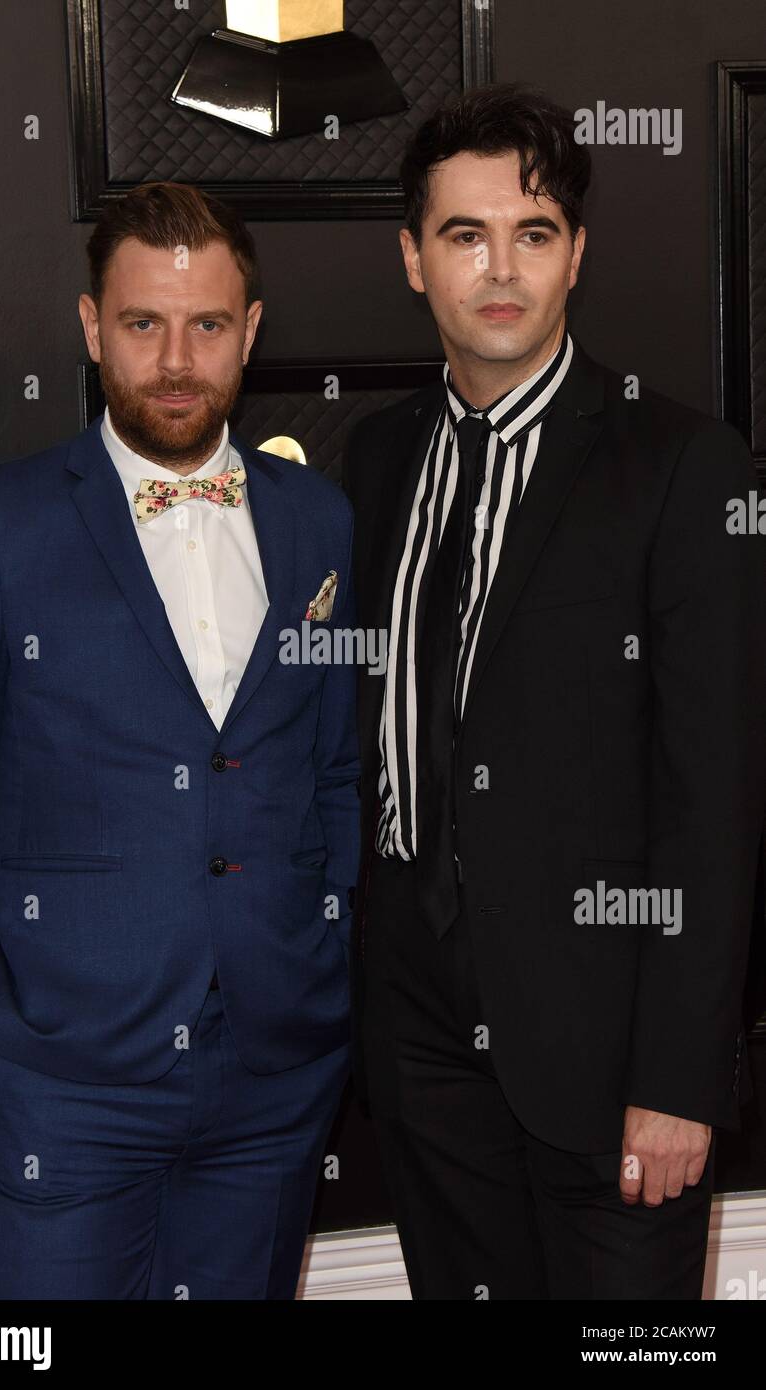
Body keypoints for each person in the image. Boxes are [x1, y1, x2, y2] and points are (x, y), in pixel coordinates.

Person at [341, 83, 766, 1300]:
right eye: (464, 235)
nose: (499, 269)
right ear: (413, 258)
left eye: (531, 234)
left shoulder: (678, 464)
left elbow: (715, 795)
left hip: (610, 1051)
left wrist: (683, 1075)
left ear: (575, 253)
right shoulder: (374, 460)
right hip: (418, 1043)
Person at [0, 181, 359, 1300]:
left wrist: (320, 961)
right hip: (60, 1078)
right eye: (143, 323)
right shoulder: (0, 521)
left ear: (248, 331)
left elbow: (336, 768)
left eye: (206, 325)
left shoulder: (317, 519)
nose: (173, 359)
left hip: (270, 1072)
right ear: (92, 325)